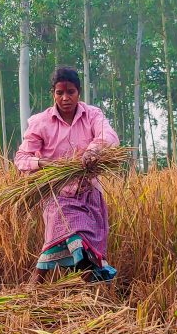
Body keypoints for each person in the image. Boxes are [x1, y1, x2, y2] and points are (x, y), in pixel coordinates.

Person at [14, 67, 119, 284]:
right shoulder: (40, 122)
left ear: (78, 92)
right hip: (56, 192)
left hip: (87, 191)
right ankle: (81, 276)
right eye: (60, 92)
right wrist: (41, 162)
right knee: (73, 229)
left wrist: (92, 153)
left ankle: (84, 285)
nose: (65, 98)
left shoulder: (92, 115)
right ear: (53, 93)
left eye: (70, 92)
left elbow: (108, 137)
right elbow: (21, 157)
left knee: (85, 239)